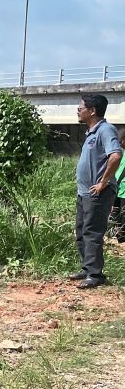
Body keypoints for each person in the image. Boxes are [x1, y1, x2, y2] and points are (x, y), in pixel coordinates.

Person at [71, 94, 123, 289]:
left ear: (92, 111)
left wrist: (103, 182)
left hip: (98, 193)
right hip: (84, 192)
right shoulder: (91, 132)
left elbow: (116, 156)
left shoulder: (105, 130)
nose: (78, 110)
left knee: (92, 232)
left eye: (81, 107)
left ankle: (95, 274)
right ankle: (87, 269)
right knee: (82, 231)